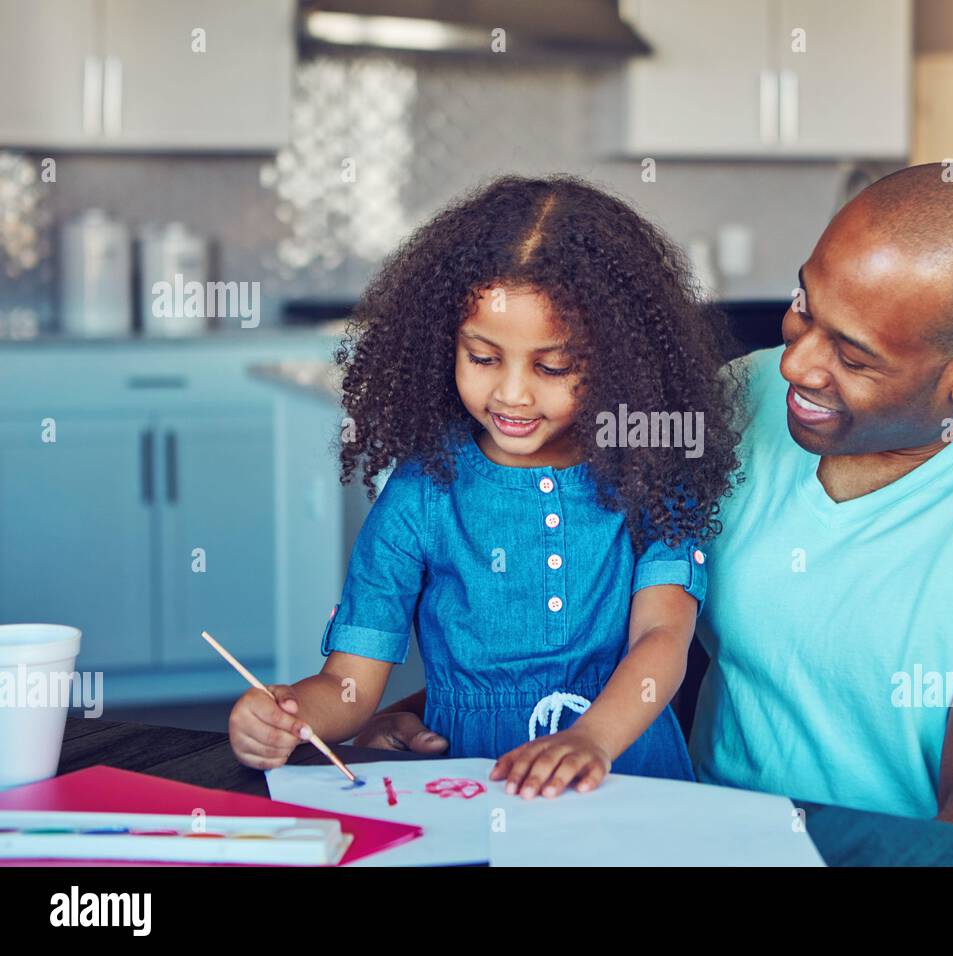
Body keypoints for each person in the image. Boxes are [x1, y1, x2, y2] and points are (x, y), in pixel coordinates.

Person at [355, 163, 953, 840]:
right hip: (687, 831)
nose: (795, 366)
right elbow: (597, 609)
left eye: (851, 354)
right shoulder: (727, 410)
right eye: (806, 306)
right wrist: (449, 713)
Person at [227, 174, 742, 800]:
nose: (512, 394)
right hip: (470, 791)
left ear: (621, 361)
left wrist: (591, 740)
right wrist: (286, 714)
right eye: (483, 357)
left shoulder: (653, 471)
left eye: (553, 366)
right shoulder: (422, 493)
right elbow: (349, 687)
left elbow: (662, 637)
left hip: (632, 779)